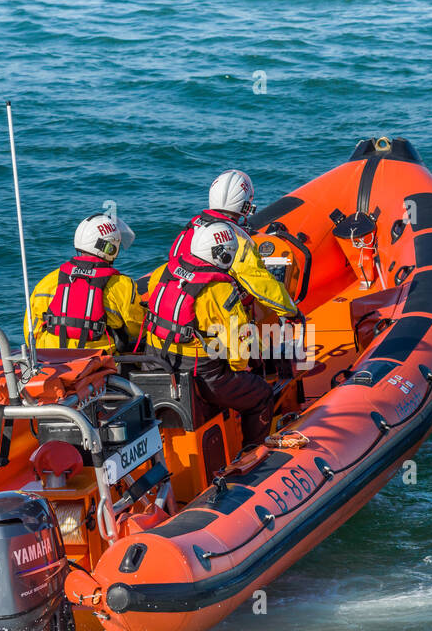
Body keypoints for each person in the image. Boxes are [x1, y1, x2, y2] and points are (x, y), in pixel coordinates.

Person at [142, 219, 274, 450]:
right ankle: (253, 454)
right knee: (261, 394)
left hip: (154, 363)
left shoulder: (165, 272)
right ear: (223, 255)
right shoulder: (220, 289)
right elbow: (240, 345)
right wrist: (243, 367)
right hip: (202, 375)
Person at [169, 170, 300, 321]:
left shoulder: (192, 226)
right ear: (245, 206)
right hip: (210, 314)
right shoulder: (235, 239)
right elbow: (260, 284)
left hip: (177, 304)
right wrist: (292, 311)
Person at [23, 213, 143, 352]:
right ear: (110, 247)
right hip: (99, 364)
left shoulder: (49, 281)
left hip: (51, 363)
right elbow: (137, 328)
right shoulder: (122, 285)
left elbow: (31, 328)